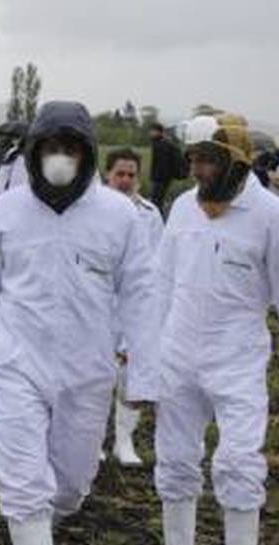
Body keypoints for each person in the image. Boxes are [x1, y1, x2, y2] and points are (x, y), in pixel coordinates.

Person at [0, 102, 158, 545]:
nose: (60, 159)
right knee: (22, 479)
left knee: (70, 484)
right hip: (18, 361)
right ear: (35, 151)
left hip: (88, 369)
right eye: (51, 148)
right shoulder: (7, 210)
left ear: (87, 155)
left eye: (70, 149)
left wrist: (143, 375)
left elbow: (141, 296)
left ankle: (34, 540)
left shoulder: (119, 215)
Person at [154, 114, 279, 545]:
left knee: (239, 463)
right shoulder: (182, 208)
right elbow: (160, 283)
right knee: (175, 459)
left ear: (235, 163)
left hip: (238, 360)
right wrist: (140, 349)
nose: (197, 170)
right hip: (177, 355)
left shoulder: (272, 216)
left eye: (207, 160)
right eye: (194, 159)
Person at [101, 148, 164, 467]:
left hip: (135, 304)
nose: (125, 180)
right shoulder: (92, 210)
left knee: (130, 374)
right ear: (107, 175)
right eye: (119, 174)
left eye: (131, 175)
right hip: (98, 303)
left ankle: (123, 440)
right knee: (97, 375)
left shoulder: (150, 214)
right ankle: (94, 439)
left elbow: (157, 265)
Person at [149, 122, 186, 210]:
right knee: (158, 200)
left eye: (152, 131)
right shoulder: (160, 142)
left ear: (159, 132)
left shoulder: (162, 144)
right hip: (164, 177)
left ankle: (158, 216)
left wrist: (156, 177)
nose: (150, 133)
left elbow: (162, 163)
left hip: (161, 177)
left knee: (156, 200)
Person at [0, 122, 29, 195]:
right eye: (14, 137)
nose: (14, 140)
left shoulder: (31, 155)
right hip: (10, 191)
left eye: (17, 137)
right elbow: (3, 175)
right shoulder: (12, 152)